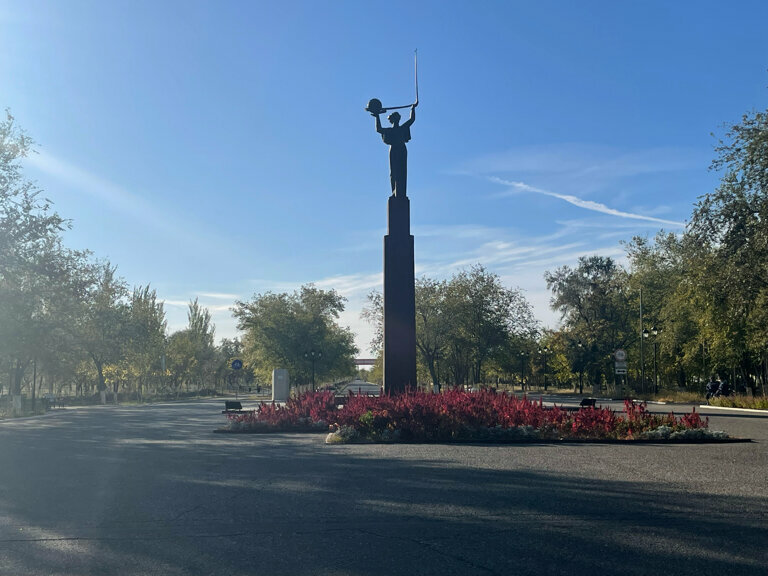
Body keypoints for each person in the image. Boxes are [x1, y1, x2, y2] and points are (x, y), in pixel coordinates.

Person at [374, 103, 417, 197]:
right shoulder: (390, 130)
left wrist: (412, 109)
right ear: (392, 120)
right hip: (394, 150)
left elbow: (412, 120)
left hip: (402, 150)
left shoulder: (402, 128)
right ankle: (394, 191)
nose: (396, 120)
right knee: (394, 172)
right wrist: (377, 116)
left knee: (402, 171)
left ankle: (401, 192)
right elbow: (379, 129)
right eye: (395, 118)